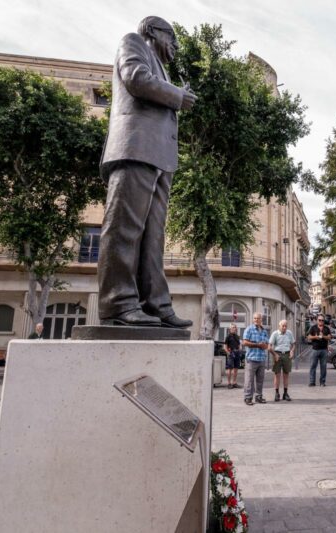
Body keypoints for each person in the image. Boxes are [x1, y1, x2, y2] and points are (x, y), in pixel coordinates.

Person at [97, 16, 197, 328]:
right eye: (173, 37)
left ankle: (156, 305)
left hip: (160, 158)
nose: (176, 45)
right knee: (124, 228)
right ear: (153, 30)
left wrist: (176, 93)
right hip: (134, 148)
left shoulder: (162, 66)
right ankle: (119, 303)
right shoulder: (133, 41)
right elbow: (136, 78)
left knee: (154, 237)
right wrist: (179, 96)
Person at [242, 313, 270, 406]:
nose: (256, 320)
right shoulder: (249, 329)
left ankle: (258, 396)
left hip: (261, 358)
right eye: (255, 318)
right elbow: (244, 342)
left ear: (261, 319)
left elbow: (267, 344)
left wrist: (264, 346)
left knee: (260, 380)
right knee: (249, 380)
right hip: (251, 358)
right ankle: (248, 397)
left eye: (258, 318)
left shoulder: (264, 331)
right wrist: (257, 345)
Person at [268, 319, 295, 402]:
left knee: (286, 374)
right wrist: (275, 354)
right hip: (278, 354)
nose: (284, 327)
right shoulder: (275, 334)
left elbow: (293, 344)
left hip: (287, 354)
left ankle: (285, 393)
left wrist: (292, 351)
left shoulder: (289, 333)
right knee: (277, 374)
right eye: (283, 326)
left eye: (285, 326)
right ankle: (277, 393)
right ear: (279, 326)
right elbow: (269, 347)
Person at [306, 314, 331, 387]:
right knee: (313, 366)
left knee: (323, 367)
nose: (321, 321)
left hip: (324, 350)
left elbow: (329, 337)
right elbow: (309, 337)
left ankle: (322, 382)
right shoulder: (313, 328)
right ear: (317, 320)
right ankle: (312, 382)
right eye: (319, 320)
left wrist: (323, 336)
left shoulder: (326, 328)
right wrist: (316, 337)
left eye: (322, 320)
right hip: (315, 349)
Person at [224, 324, 243, 389]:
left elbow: (239, 344)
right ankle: (229, 383)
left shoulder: (237, 336)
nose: (234, 328)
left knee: (236, 369)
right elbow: (225, 347)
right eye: (232, 327)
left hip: (237, 353)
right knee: (230, 369)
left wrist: (240, 348)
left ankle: (234, 382)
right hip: (231, 354)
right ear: (230, 329)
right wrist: (228, 353)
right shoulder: (228, 337)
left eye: (235, 327)